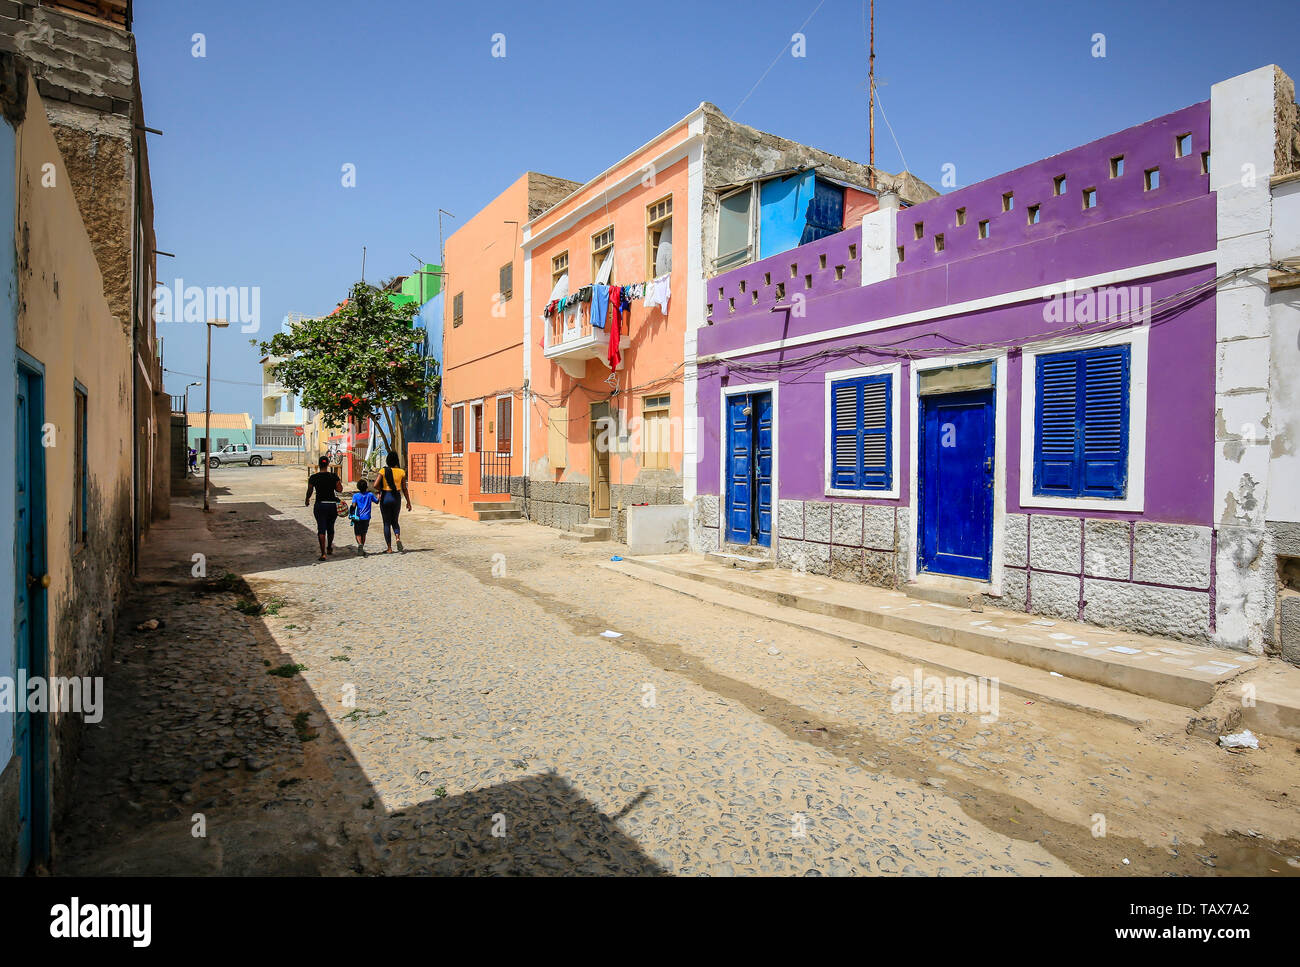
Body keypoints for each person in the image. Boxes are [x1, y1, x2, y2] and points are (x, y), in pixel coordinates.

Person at [304, 455, 343, 561]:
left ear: (319, 464)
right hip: (331, 505)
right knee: (330, 527)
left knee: (321, 528)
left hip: (320, 505)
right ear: (328, 464)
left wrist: (307, 499)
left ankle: (323, 554)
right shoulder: (333, 476)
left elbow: (310, 490)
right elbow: (340, 489)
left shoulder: (314, 477)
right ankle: (329, 547)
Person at [372, 451, 412, 553]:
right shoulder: (401, 472)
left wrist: (380, 490)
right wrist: (408, 502)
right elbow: (404, 488)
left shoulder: (383, 471)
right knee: (395, 521)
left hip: (386, 497)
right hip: (396, 497)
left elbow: (375, 485)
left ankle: (389, 548)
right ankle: (397, 538)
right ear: (396, 460)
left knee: (386, 523)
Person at [348, 479, 378, 555]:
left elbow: (354, 506)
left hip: (358, 518)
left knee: (357, 533)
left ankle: (359, 544)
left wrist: (351, 511)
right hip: (367, 517)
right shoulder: (370, 495)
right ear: (366, 487)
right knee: (363, 533)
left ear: (358, 487)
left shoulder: (356, 496)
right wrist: (379, 495)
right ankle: (362, 547)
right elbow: (377, 501)